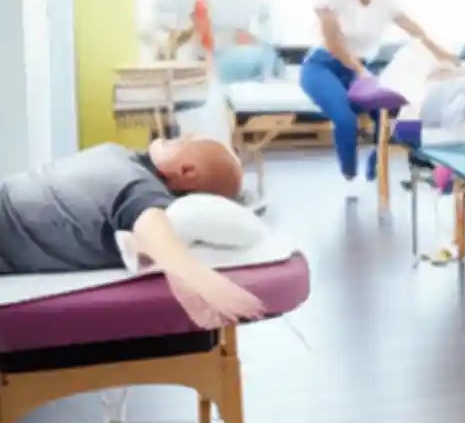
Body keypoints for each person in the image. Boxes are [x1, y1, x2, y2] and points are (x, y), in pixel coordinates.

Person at [0, 137, 266, 328]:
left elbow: (153, 228)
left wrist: (203, 282)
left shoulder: (141, 188)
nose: (169, 138)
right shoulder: (121, 157)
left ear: (187, 171)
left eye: (181, 143)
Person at [301, 0, 457, 199]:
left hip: (357, 68)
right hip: (323, 66)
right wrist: (360, 71)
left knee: (392, 115)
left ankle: (376, 167)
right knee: (345, 120)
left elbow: (414, 30)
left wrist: (442, 53)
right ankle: (349, 175)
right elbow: (334, 41)